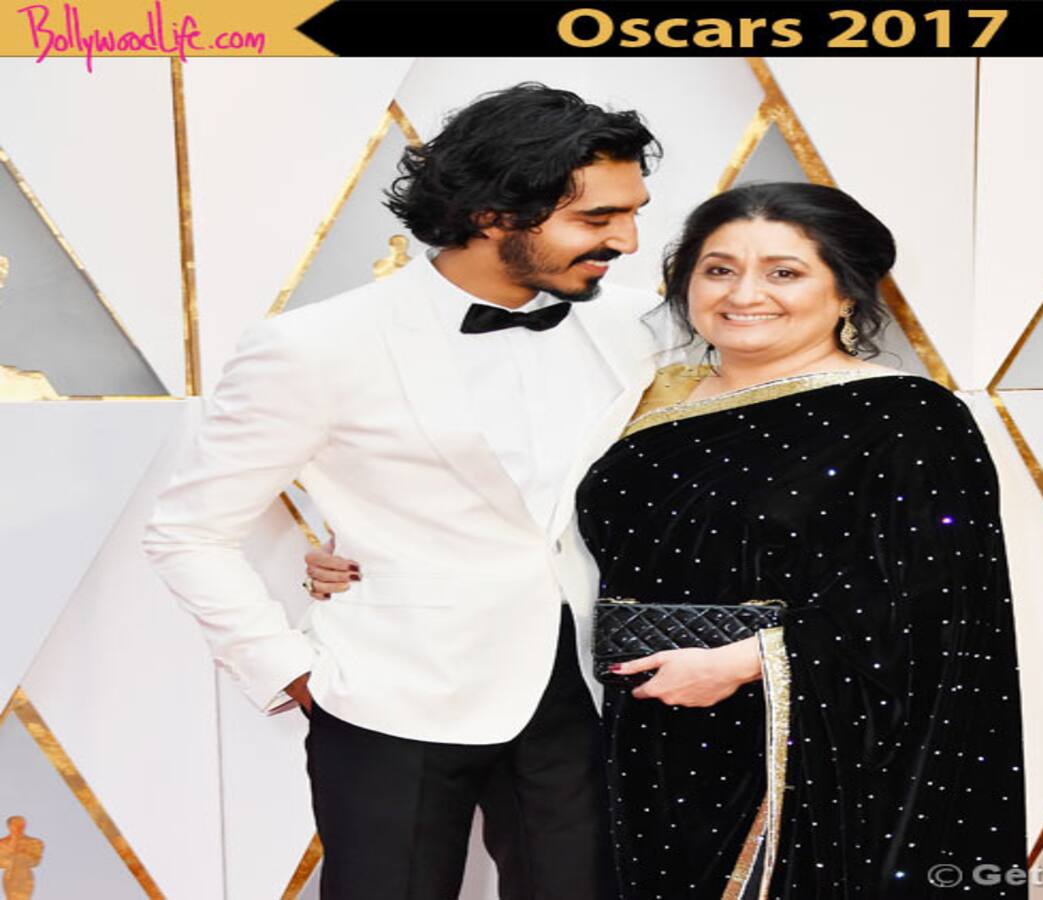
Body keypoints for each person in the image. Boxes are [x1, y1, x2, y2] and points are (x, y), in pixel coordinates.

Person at [308, 181, 1029, 898]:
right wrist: (367, 550)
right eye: (718, 269)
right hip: (621, 728)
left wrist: (746, 662)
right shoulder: (641, 391)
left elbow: (937, 602)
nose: (744, 293)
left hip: (786, 736)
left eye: (784, 272)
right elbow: (528, 514)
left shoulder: (906, 415)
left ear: (847, 290)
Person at [145, 83, 663, 900]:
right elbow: (187, 531)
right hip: (391, 694)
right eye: (598, 218)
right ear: (493, 214)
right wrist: (288, 671)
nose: (628, 241)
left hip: (579, 689)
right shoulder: (315, 347)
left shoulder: (642, 327)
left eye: (632, 213)